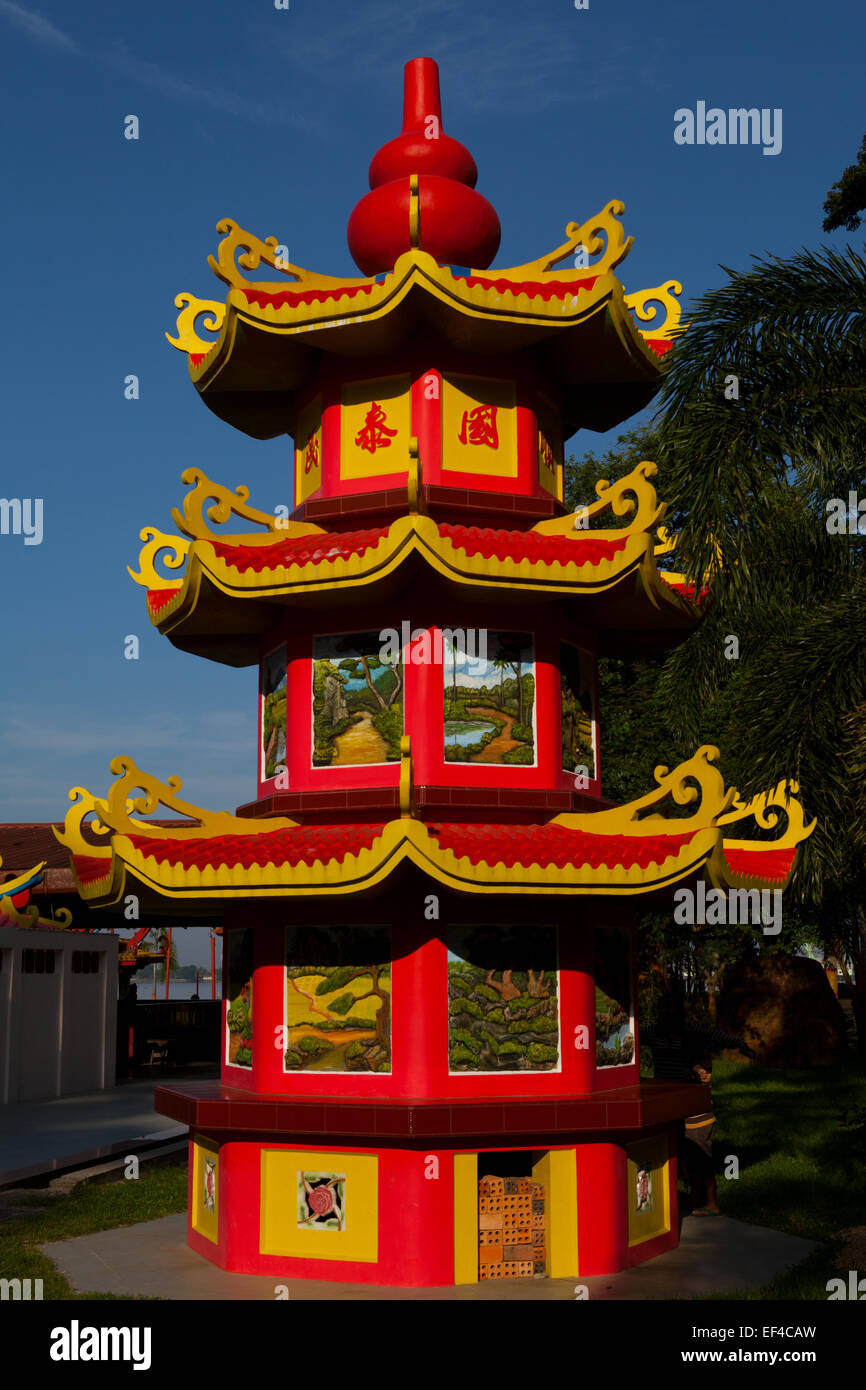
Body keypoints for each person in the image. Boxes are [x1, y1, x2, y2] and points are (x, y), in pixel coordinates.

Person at [641, 997, 756, 1215]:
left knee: (700, 1155)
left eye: (671, 1009)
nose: (667, 1013)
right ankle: (688, 1197)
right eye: (663, 1008)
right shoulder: (653, 1032)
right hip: (666, 1103)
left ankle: (709, 1201)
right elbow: (631, 1033)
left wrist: (742, 1046)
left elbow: (718, 1039)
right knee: (680, 1154)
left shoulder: (692, 1035)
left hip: (692, 1105)